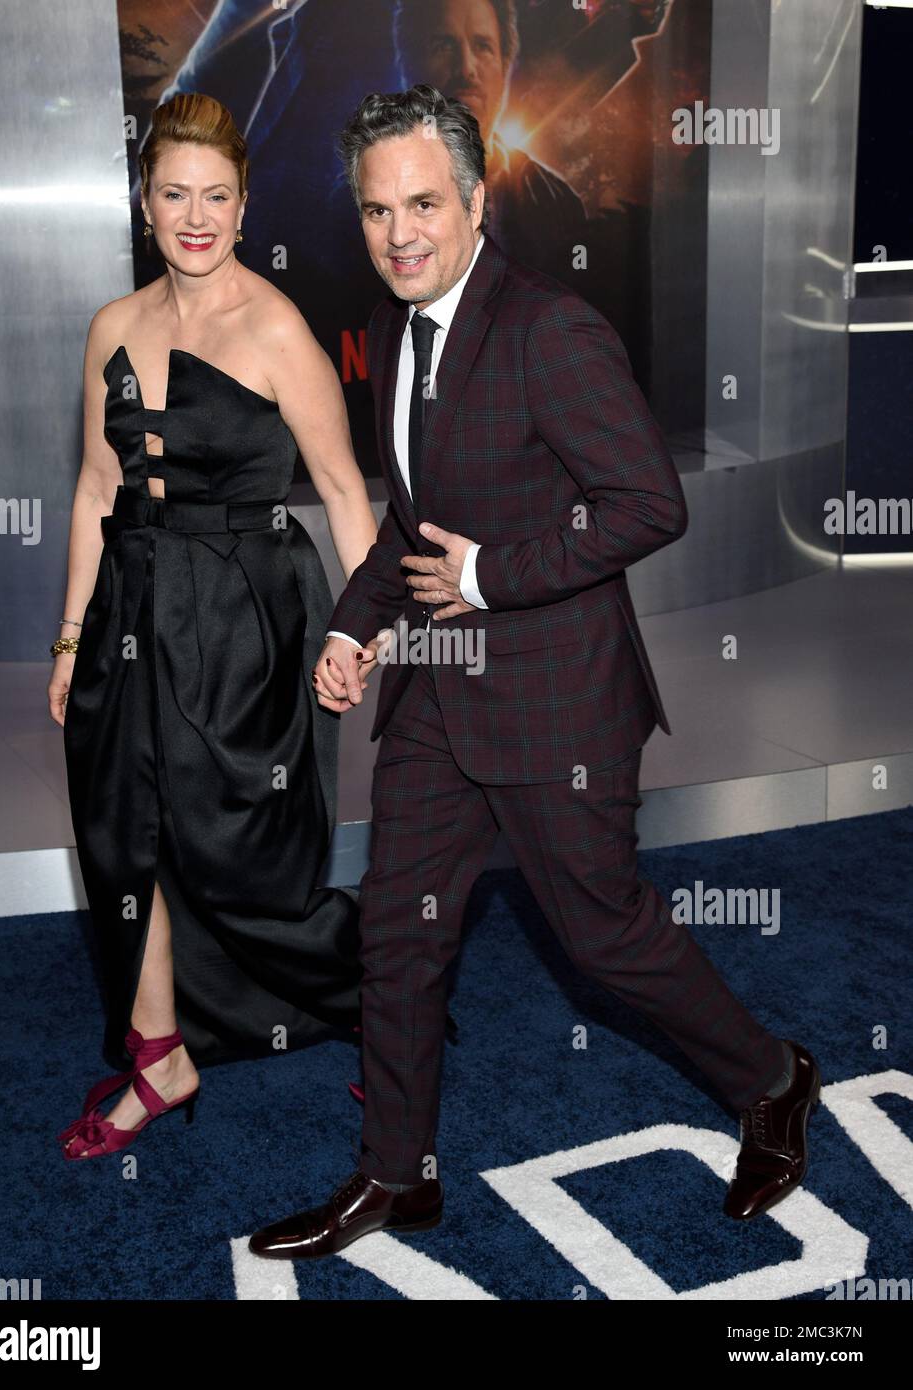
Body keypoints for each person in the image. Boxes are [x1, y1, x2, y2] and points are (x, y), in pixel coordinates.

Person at [248, 85, 821, 1257]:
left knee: (603, 936)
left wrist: (490, 579)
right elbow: (416, 524)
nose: (399, 232)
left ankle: (773, 1078)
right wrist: (357, 630)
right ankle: (398, 1173)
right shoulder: (395, 329)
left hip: (558, 695)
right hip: (432, 704)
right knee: (399, 937)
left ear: (473, 199)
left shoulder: (547, 329)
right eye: (374, 211)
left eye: (421, 204)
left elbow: (645, 505)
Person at [50, 93, 378, 1160]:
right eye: (175, 195)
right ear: (146, 204)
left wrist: (355, 633)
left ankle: (387, 1006)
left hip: (244, 619)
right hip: (127, 609)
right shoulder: (113, 325)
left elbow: (341, 491)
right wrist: (68, 641)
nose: (196, 217)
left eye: (217, 197)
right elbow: (98, 488)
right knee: (120, 837)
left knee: (244, 855)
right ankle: (161, 1056)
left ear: (245, 206)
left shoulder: (276, 325)